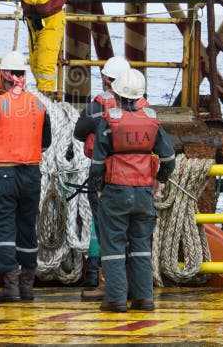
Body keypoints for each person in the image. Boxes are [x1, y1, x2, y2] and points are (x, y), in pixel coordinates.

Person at [90, 69, 175, 312]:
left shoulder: (109, 120)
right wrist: (158, 179)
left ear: (116, 95)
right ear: (139, 97)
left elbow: (97, 164)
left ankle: (116, 299)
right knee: (140, 246)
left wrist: (98, 188)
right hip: (143, 193)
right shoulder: (152, 120)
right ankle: (144, 298)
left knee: (114, 246)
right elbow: (169, 159)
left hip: (115, 191)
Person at [0, 51, 52, 303]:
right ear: (23, 76)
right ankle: (27, 285)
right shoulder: (40, 105)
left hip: (4, 173)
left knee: (4, 226)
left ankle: (10, 286)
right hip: (31, 174)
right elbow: (46, 143)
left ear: (3, 77)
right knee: (27, 226)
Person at [72, 55, 132, 301]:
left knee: (107, 231)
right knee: (132, 232)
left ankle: (107, 284)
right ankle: (133, 284)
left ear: (107, 80)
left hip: (105, 177)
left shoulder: (98, 108)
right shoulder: (139, 106)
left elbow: (78, 131)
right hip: (134, 179)